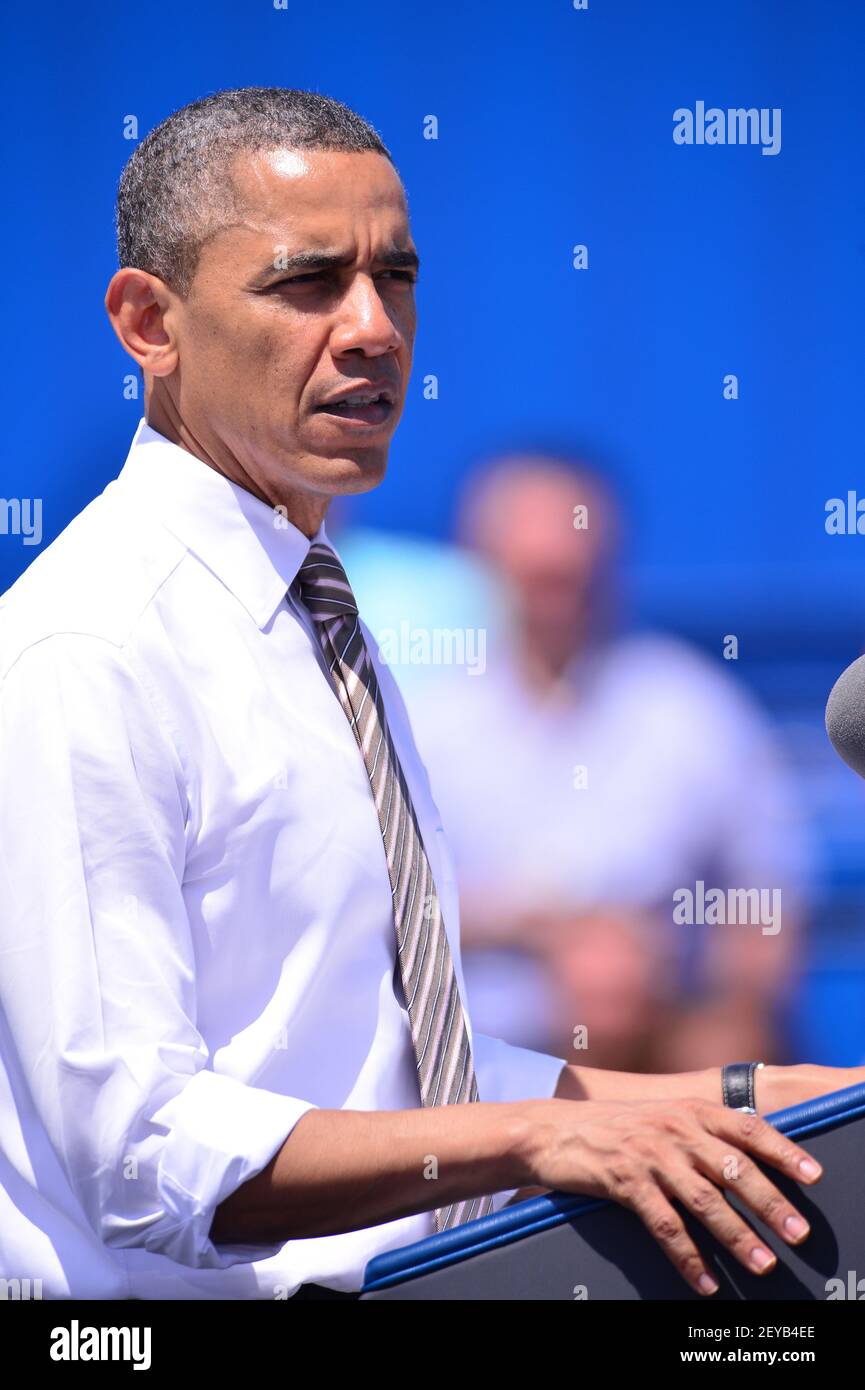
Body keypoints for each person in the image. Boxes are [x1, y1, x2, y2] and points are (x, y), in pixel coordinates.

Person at [0, 86, 858, 1303]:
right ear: (150, 322)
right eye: (306, 282)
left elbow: (397, 1088)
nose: (372, 329)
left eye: (394, 278)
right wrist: (540, 1136)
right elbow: (139, 1154)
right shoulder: (85, 652)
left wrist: (764, 1098)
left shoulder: (315, 618)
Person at [403, 455, 811, 1073]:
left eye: (567, 570)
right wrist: (545, 934)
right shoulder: (422, 722)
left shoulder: (693, 707)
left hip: (665, 1045)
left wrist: (722, 997)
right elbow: (380, 917)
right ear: (480, 559)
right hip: (480, 1058)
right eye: (534, 570)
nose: (553, 586)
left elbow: (766, 898)